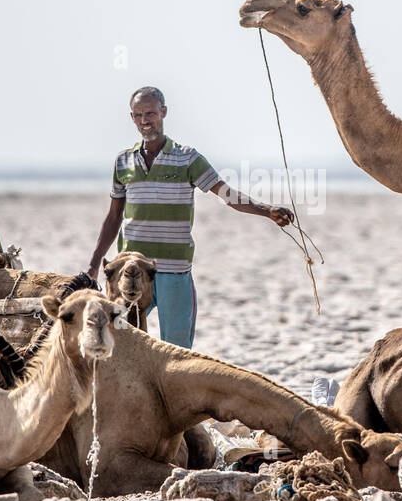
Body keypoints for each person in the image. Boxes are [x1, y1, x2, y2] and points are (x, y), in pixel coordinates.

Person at [87, 86, 293, 348]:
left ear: (163, 112)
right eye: (138, 115)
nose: (144, 120)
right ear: (132, 117)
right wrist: (95, 263)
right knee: (122, 345)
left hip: (174, 270)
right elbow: (114, 216)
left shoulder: (187, 158)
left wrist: (266, 211)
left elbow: (226, 194)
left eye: (150, 113)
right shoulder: (123, 162)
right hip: (131, 271)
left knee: (176, 350)